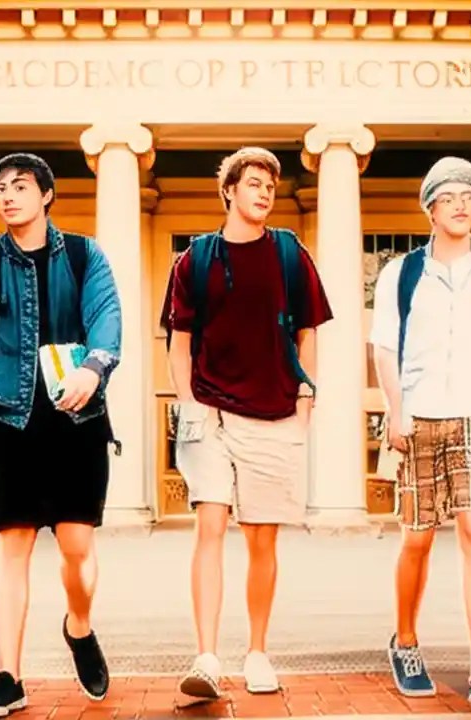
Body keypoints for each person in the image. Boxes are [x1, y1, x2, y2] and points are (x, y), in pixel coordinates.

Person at [0, 153, 123, 717]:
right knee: (13, 550)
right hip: (10, 420)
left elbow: (107, 316)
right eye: (0, 188)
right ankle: (7, 675)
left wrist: (93, 368)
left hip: (77, 421)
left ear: (46, 195)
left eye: (20, 186)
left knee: (77, 549)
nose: (7, 196)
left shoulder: (83, 253)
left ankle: (78, 625)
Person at [160, 147, 332, 699]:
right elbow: (179, 342)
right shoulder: (195, 260)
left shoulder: (290, 254)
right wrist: (190, 403)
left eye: (270, 186)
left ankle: (257, 650)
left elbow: (308, 329)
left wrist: (305, 394)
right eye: (253, 183)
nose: (263, 192)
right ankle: (206, 655)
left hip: (275, 412)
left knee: (262, 541)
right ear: (229, 191)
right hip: (210, 410)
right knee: (209, 526)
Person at [369, 157, 471, 707]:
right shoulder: (402, 272)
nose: (462, 204)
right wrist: (395, 410)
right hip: (418, 414)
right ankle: (406, 641)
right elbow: (385, 347)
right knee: (417, 537)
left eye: (470, 195)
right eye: (451, 196)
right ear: (431, 209)